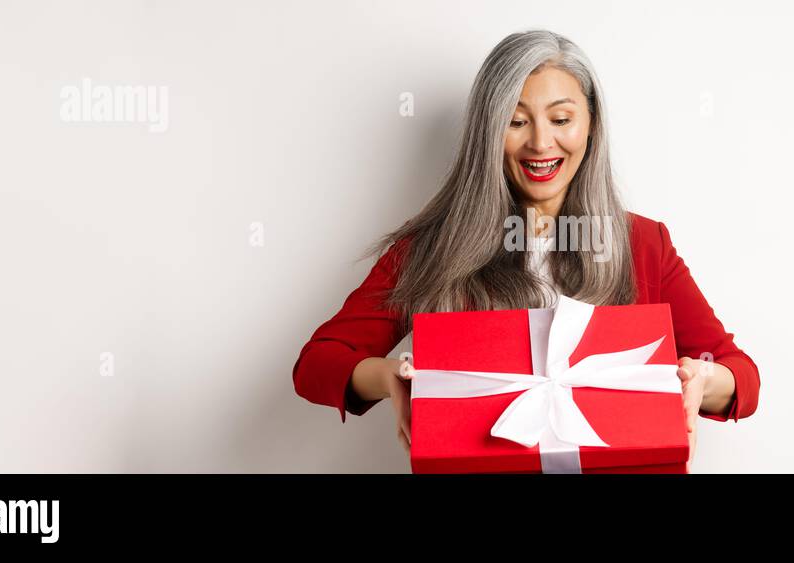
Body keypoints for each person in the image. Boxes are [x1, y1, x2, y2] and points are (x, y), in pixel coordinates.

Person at [291, 30, 759, 470]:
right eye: (515, 121)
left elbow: (740, 376)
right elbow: (318, 363)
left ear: (590, 126)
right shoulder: (428, 249)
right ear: (486, 133)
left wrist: (703, 380)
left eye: (560, 119)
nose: (540, 142)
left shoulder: (642, 243)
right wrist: (390, 377)